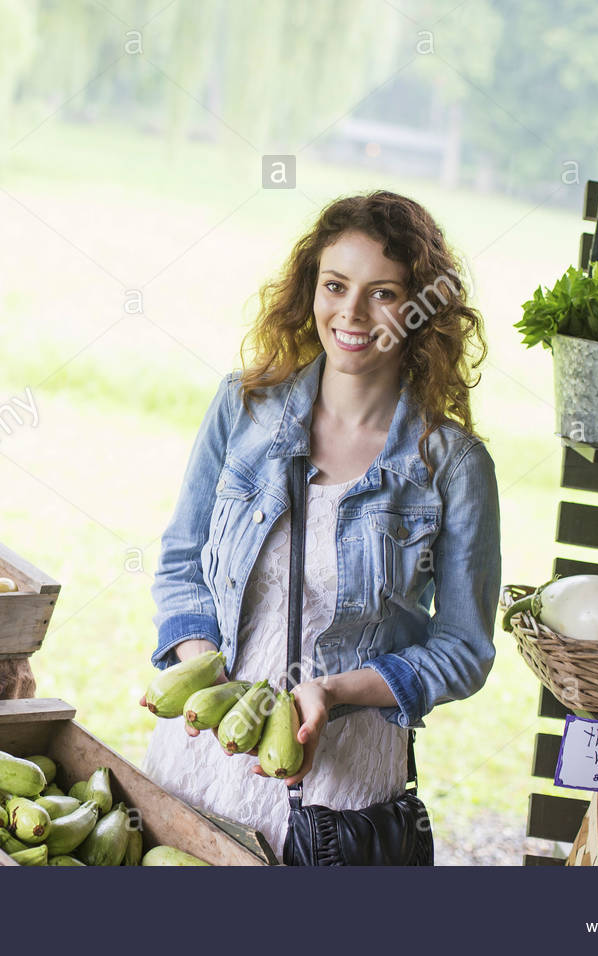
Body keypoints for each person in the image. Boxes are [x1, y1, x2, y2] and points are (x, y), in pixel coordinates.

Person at [140, 190, 502, 857]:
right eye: (336, 285)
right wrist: (204, 677)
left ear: (421, 311)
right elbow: (181, 560)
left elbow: (464, 649)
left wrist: (333, 693)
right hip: (202, 754)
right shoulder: (243, 407)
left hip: (342, 787)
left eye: (384, 293)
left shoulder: (454, 466)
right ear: (311, 288)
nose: (352, 313)